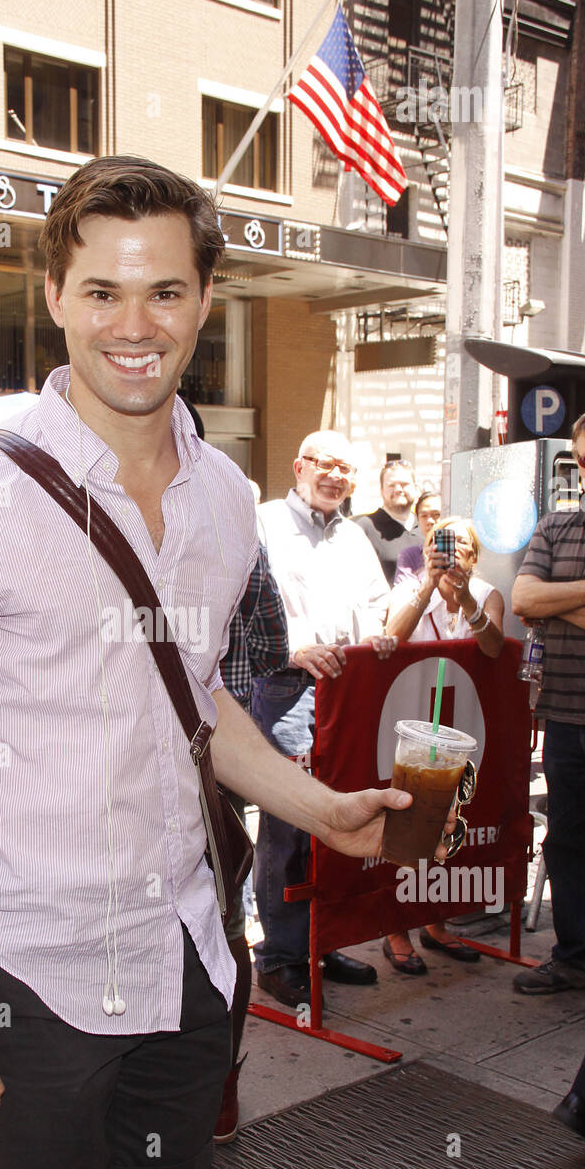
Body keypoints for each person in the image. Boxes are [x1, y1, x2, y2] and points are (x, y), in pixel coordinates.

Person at [0, 155, 434, 1169]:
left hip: (183, 949)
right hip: (24, 965)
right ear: (54, 296)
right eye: (102, 291)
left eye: (163, 290)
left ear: (206, 300)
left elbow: (194, 695)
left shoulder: (221, 499)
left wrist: (325, 807)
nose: (133, 323)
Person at [252, 432, 398, 1009]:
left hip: (347, 695)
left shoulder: (356, 536)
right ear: (298, 465)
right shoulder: (262, 522)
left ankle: (322, 940)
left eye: (346, 469)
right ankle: (281, 957)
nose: (335, 476)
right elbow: (239, 607)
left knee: (338, 822)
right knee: (289, 825)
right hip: (286, 691)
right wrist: (290, 650)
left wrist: (382, 637)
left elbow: (376, 605)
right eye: (325, 465)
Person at [384, 518, 505, 972]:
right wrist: (430, 586)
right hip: (413, 730)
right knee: (408, 826)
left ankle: (436, 923)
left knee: (451, 827)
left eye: (458, 547)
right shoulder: (413, 588)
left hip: (461, 729)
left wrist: (467, 599)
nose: (448, 553)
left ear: (473, 557)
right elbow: (392, 636)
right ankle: (395, 930)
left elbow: (493, 646)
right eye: (437, 544)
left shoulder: (487, 592)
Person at [511, 412, 585, 996]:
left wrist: (553, 602)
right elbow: (523, 596)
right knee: (566, 838)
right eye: (583, 459)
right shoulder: (558, 528)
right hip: (564, 713)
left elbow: (542, 599)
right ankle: (573, 955)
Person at [216, 537, 289, 1143]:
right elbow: (272, 645)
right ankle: (219, 1084)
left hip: (121, 763)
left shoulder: (89, 513)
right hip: (221, 762)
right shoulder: (230, 531)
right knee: (224, 921)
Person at [353, 460, 417, 585]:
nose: (398, 489)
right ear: (382, 490)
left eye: (404, 484)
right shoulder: (364, 529)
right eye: (391, 485)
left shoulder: (426, 528)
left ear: (415, 488)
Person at [393, 489, 442, 585]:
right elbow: (403, 596)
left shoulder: (460, 551)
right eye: (424, 516)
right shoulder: (410, 556)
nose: (430, 521)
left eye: (436, 514)